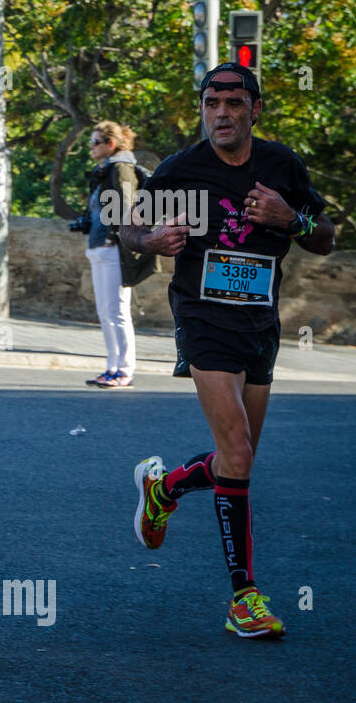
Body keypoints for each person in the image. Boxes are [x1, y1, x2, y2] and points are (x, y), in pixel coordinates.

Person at [122, 62, 334, 639]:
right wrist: (153, 239)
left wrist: (290, 218)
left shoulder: (281, 166)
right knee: (237, 450)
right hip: (202, 316)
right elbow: (128, 230)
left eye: (234, 103)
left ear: (254, 109)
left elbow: (326, 236)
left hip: (259, 322)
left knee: (235, 460)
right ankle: (244, 598)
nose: (221, 113)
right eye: (211, 103)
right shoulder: (179, 170)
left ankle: (162, 488)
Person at [79, 121, 140, 388]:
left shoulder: (122, 168)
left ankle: (125, 369)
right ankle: (112, 366)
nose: (90, 147)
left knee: (117, 310)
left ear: (110, 144)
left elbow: (127, 206)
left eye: (94, 142)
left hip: (114, 246)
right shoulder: (104, 170)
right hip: (98, 245)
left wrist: (119, 234)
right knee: (105, 310)